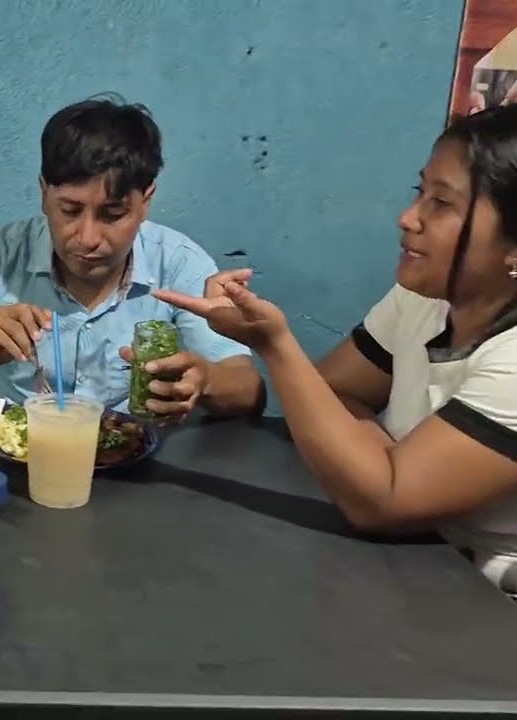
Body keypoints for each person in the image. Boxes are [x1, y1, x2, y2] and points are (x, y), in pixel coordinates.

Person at [157, 104, 517, 591]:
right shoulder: (423, 299)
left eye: (443, 204)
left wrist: (275, 344)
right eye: (420, 192)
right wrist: (382, 457)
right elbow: (330, 392)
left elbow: (380, 503)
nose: (408, 217)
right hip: (407, 576)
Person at [0, 95, 264, 420]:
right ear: (44, 193)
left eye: (113, 214)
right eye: (69, 210)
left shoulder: (178, 263)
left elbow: (247, 389)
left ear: (145, 202)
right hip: (7, 466)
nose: (89, 238)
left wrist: (204, 379)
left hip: (132, 470)